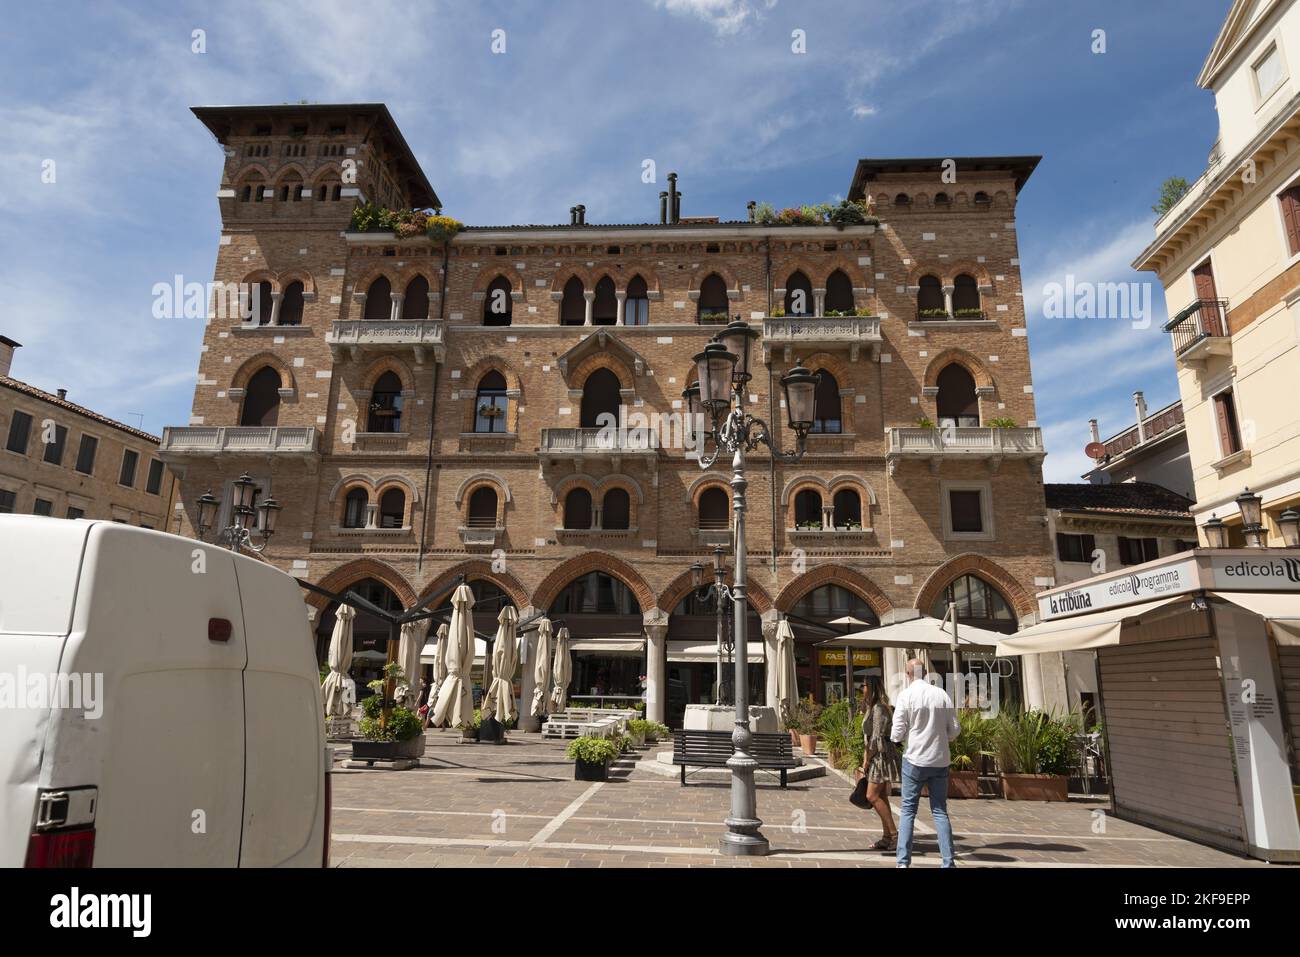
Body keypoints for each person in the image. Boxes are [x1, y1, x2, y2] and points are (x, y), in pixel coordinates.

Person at [891, 658, 960, 868]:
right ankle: (948, 863)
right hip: (939, 760)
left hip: (914, 759)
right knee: (940, 811)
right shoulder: (941, 694)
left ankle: (903, 863)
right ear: (926, 672)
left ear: (909, 674)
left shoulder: (905, 696)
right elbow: (955, 729)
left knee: (908, 810)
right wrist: (941, 737)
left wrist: (901, 738)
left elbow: (897, 732)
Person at [858, 675, 899, 850]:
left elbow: (876, 739)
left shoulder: (879, 709)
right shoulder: (872, 707)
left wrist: (867, 760)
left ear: (872, 687)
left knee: (871, 796)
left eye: (864, 685)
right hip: (875, 755)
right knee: (880, 796)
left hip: (880, 756)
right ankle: (887, 837)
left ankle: (895, 836)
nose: (862, 688)